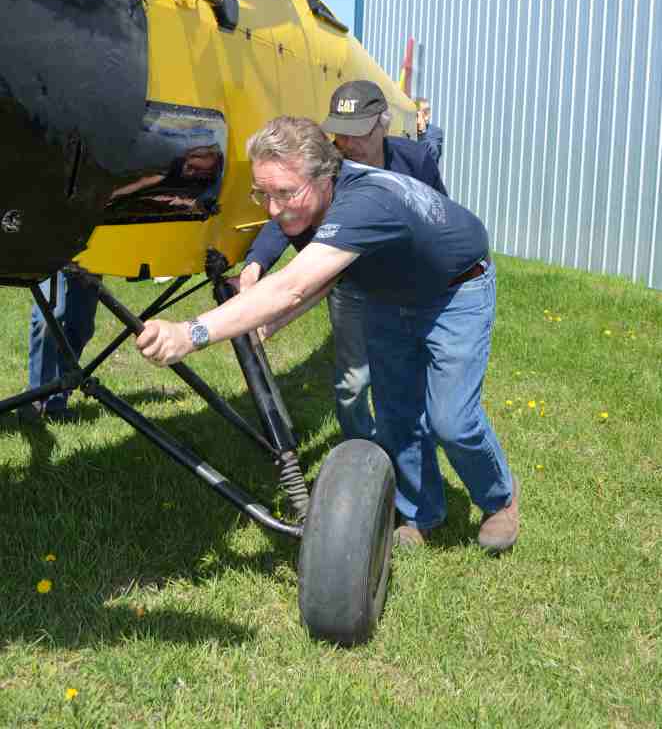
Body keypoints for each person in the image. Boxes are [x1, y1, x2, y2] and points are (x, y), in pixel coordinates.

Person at [137, 116, 520, 552]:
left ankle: (500, 499)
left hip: (454, 290)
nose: (274, 209)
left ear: (324, 175)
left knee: (452, 420)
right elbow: (327, 278)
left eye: (285, 192)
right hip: (387, 295)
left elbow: (293, 285)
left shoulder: (364, 203)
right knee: (396, 415)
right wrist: (266, 320)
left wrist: (192, 332)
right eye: (264, 193)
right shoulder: (316, 203)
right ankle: (420, 513)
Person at [238, 80, 446, 441]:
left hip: (406, 284)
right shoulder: (329, 164)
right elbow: (288, 210)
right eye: (341, 133)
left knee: (408, 374)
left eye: (358, 133)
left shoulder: (415, 160)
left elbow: (438, 213)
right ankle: (357, 453)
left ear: (384, 123)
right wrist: (257, 261)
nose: (348, 144)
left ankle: (404, 451)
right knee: (354, 381)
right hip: (349, 282)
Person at [21, 268, 100, 422]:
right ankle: (36, 396)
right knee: (49, 315)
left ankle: (57, 397)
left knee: (81, 325)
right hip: (50, 251)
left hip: (90, 252)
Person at [415, 97, 444, 165]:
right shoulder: (408, 129)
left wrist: (422, 132)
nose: (428, 116)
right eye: (425, 112)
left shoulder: (436, 132)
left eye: (428, 111)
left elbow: (433, 155)